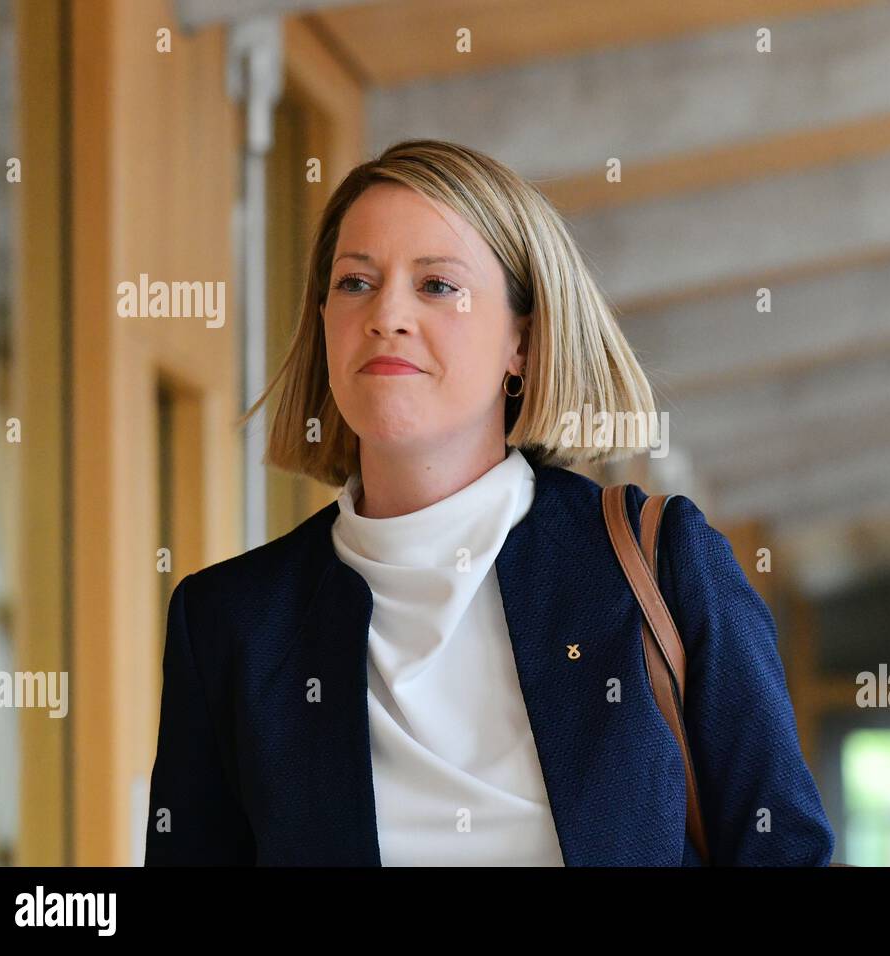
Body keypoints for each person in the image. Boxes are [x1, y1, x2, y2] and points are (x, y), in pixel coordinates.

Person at [143, 139, 835, 866]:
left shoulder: (660, 565)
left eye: (437, 285)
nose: (387, 315)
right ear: (323, 322)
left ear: (523, 342)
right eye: (355, 283)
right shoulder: (230, 624)